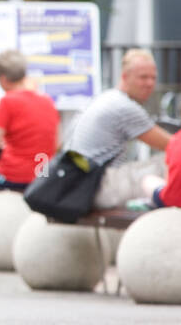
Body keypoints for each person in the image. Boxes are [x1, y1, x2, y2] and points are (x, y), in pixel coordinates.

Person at [64, 48, 171, 209]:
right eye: (143, 77)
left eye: (153, 78)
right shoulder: (123, 107)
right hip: (96, 187)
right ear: (124, 77)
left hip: (77, 181)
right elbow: (174, 145)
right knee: (167, 161)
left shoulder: (105, 97)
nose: (150, 84)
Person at [0, 49, 60, 211]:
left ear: (3, 78)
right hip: (43, 175)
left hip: (13, 175)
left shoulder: (7, 102)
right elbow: (56, 143)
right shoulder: (47, 101)